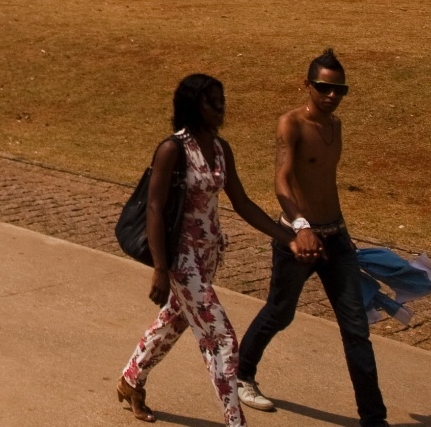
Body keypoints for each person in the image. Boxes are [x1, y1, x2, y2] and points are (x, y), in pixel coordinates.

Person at [117, 73, 298, 425]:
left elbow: (242, 202)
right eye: (211, 101)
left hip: (208, 255)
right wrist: (160, 267)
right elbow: (154, 208)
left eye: (222, 100)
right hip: (180, 262)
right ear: (192, 105)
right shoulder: (173, 149)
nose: (220, 107)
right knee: (222, 339)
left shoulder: (220, 148)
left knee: (172, 321)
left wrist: (287, 235)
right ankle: (236, 422)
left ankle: (130, 381)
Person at [234, 49, 389, 427]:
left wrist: (335, 231)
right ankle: (240, 374)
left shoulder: (335, 126)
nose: (332, 95)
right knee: (280, 312)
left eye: (340, 89)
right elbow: (282, 179)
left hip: (336, 238)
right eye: (323, 87)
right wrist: (300, 226)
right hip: (296, 239)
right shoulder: (290, 124)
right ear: (307, 85)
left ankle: (374, 419)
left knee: (356, 330)